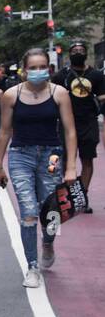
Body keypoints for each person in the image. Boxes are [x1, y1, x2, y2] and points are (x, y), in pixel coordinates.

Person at [0, 49, 78, 288]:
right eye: (33, 67)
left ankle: (48, 243)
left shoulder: (59, 93)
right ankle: (32, 267)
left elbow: (70, 131)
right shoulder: (11, 95)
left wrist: (71, 166)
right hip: (21, 156)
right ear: (24, 70)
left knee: (50, 209)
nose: (38, 71)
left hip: (51, 156)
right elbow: (4, 131)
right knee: (28, 210)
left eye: (43, 67)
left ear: (49, 69)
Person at [54, 40, 104, 205]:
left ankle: (81, 197)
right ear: (69, 54)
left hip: (89, 122)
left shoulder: (96, 76)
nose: (77, 53)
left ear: (86, 53)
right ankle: (67, 194)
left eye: (81, 50)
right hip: (66, 123)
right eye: (74, 50)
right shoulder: (61, 76)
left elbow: (103, 98)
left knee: (87, 159)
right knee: (67, 160)